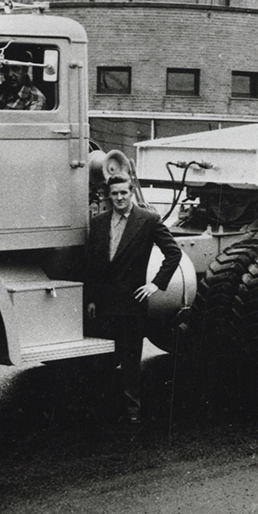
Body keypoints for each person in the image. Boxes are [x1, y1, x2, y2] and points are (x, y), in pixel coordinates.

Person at [85, 175, 182, 424]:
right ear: (109, 195)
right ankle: (105, 408)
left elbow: (173, 253)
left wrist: (155, 284)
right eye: (114, 194)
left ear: (131, 194)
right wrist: (93, 299)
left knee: (130, 359)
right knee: (104, 358)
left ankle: (132, 410)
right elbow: (93, 265)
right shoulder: (98, 223)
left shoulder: (148, 220)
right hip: (105, 303)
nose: (119, 198)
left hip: (131, 302)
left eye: (123, 193)